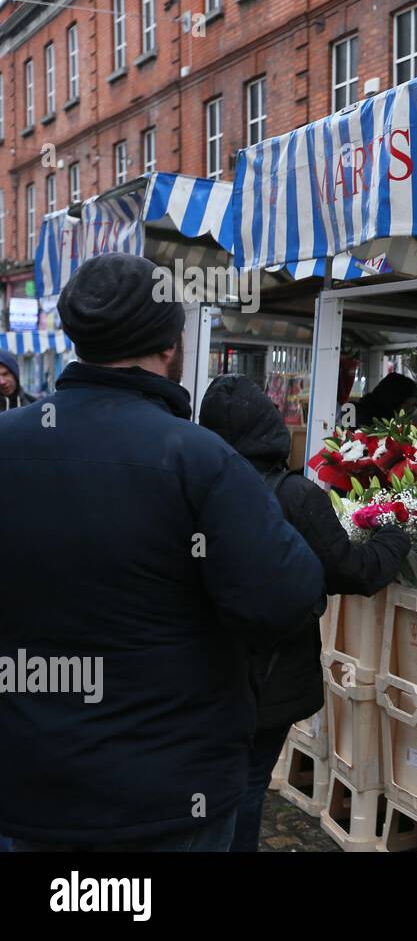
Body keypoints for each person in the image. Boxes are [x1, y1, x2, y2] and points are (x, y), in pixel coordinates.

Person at [0, 253, 326, 852]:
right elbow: (288, 595)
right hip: (171, 798)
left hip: (28, 788)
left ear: (76, 339)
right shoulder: (199, 458)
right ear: (171, 344)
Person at [199, 373, 411, 851]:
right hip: (269, 677)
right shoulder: (293, 496)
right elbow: (351, 570)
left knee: (211, 783)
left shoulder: (192, 483)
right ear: (270, 426)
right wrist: (394, 534)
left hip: (200, 670)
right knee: (249, 781)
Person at [352, 371, 417, 427]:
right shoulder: (372, 422)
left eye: (414, 405)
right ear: (394, 401)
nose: (410, 409)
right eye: (407, 404)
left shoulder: (364, 409)